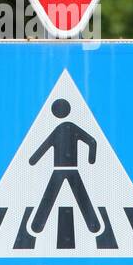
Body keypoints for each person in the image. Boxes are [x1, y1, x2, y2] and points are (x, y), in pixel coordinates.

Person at [28, 98, 100, 234]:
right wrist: (91, 159)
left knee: (49, 197)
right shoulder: (70, 128)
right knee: (81, 197)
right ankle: (94, 226)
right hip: (70, 170)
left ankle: (36, 226)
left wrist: (33, 160)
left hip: (60, 171)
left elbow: (45, 146)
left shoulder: (62, 129)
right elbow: (92, 141)